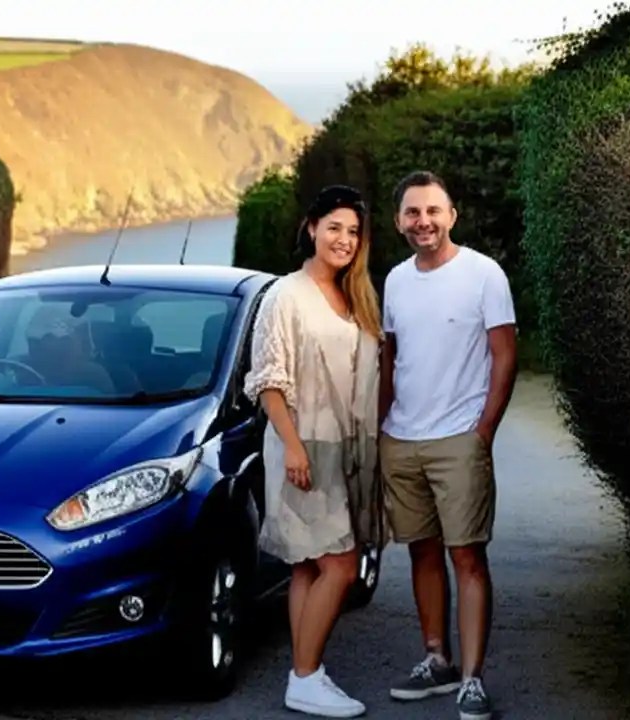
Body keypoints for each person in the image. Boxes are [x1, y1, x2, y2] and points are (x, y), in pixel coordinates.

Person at [377, 171, 518, 720]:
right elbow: (392, 359)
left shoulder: (484, 274)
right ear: (399, 222)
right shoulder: (395, 281)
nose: (424, 222)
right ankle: (437, 660)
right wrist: (381, 426)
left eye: (433, 211)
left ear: (452, 216)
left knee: (468, 556)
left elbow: (504, 355)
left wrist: (484, 431)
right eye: (413, 212)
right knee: (422, 551)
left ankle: (472, 680)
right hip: (402, 439)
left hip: (460, 438)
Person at [244, 185, 386, 718]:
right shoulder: (287, 295)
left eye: (353, 232)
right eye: (334, 228)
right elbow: (268, 379)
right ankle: (306, 678)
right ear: (311, 228)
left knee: (308, 566)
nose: (344, 239)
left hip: (346, 447)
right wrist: (293, 447)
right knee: (341, 565)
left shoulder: (355, 296)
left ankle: (304, 673)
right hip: (305, 445)